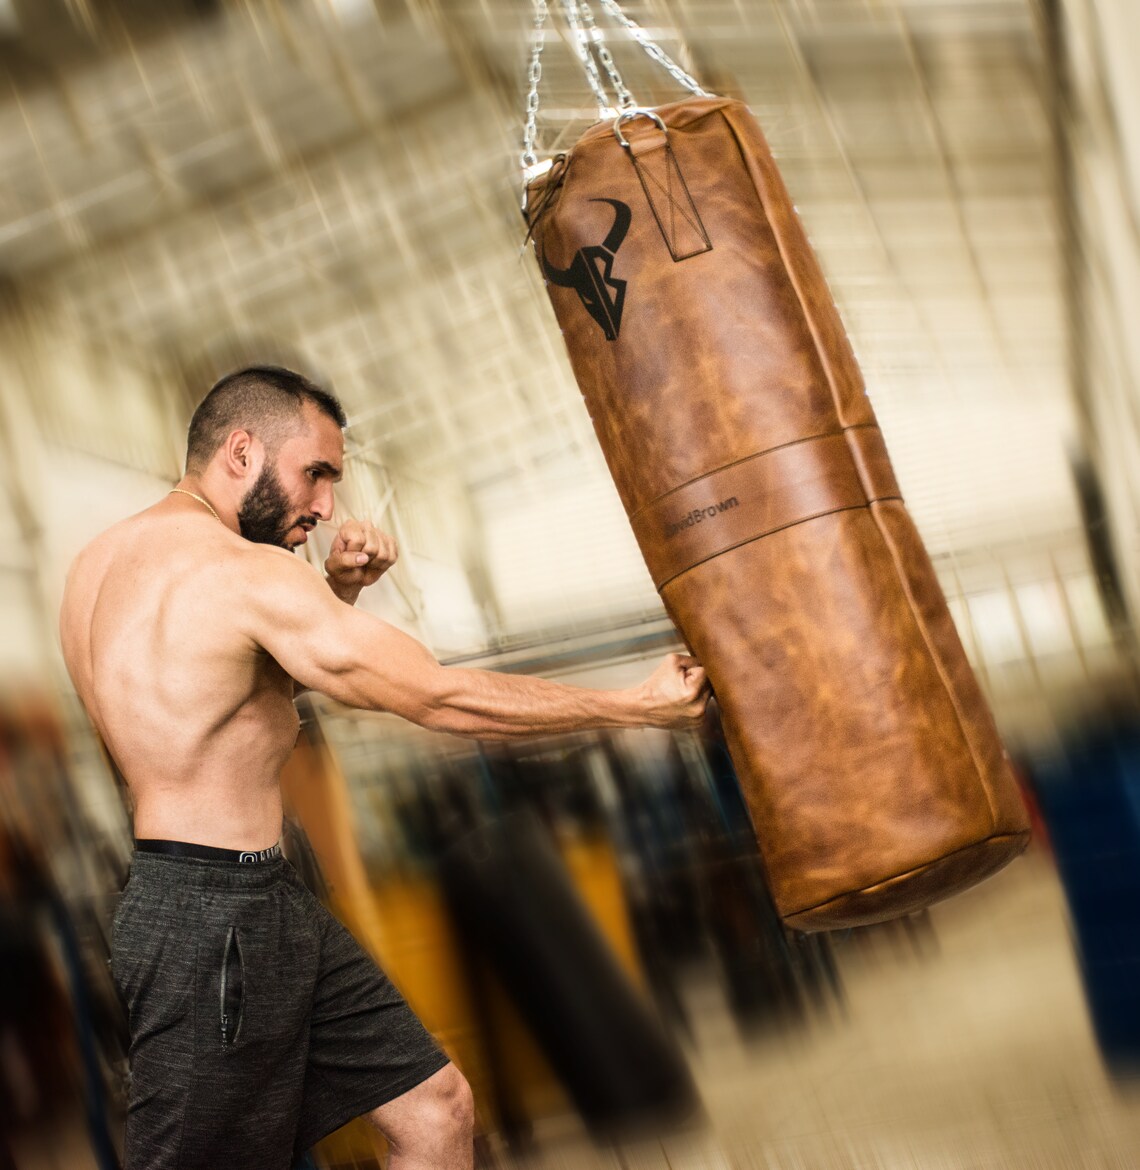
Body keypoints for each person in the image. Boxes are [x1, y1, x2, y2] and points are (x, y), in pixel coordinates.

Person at [58, 365, 710, 1170]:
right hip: (216, 925)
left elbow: (212, 704)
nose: (327, 505)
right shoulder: (244, 574)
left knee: (436, 1111)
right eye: (316, 473)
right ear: (240, 451)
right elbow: (436, 700)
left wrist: (334, 592)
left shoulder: (96, 568)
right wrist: (633, 707)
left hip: (235, 895)